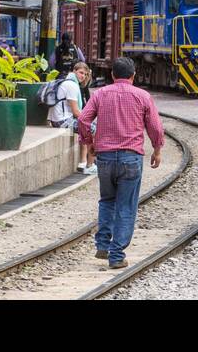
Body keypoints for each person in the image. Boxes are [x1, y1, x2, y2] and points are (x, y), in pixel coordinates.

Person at [77, 56, 164, 270]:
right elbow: (155, 126)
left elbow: (83, 119)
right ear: (133, 76)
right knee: (126, 205)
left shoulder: (101, 94)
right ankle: (116, 256)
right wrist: (157, 149)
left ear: (112, 75)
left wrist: (89, 143)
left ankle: (103, 245)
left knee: (107, 200)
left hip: (105, 158)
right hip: (130, 157)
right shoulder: (142, 96)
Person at [50, 61, 97, 175]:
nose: (83, 76)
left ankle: (82, 162)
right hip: (62, 121)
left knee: (87, 126)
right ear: (74, 71)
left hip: (59, 118)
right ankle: (90, 165)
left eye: (85, 74)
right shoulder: (72, 85)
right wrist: (89, 119)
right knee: (95, 129)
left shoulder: (68, 82)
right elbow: (76, 112)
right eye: (81, 73)